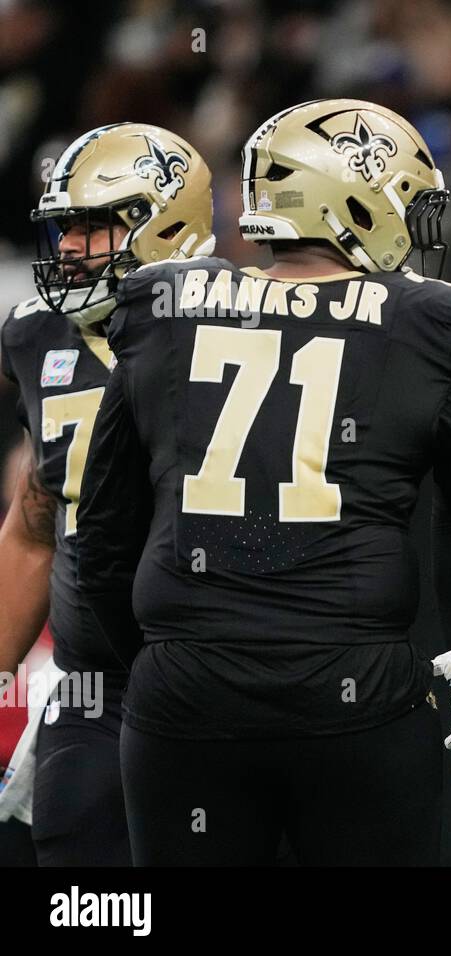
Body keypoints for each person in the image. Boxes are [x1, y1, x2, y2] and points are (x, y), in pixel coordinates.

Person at [75, 99, 451, 866]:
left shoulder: (161, 308)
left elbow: (100, 545)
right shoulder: (424, 322)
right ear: (356, 197)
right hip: (353, 693)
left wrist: (174, 668)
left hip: (183, 699)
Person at [0, 123, 214, 865]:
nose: (67, 247)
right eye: (63, 227)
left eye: (92, 227)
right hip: (95, 694)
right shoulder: (36, 336)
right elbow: (35, 521)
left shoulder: (246, 325)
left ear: (168, 226)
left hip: (228, 683)